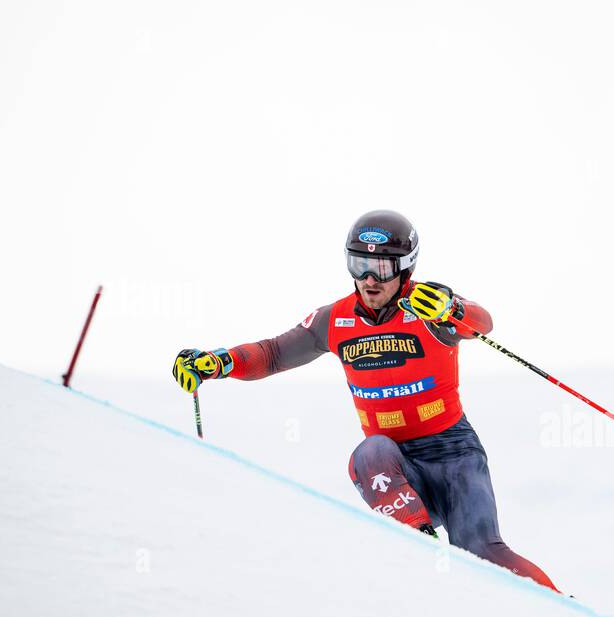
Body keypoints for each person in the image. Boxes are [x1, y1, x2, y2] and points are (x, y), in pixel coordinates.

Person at [171, 210, 557, 590]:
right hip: (397, 466)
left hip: (453, 454)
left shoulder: (429, 307)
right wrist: (219, 362)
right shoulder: (334, 319)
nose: (370, 280)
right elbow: (273, 353)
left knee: (481, 552)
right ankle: (420, 553)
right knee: (369, 453)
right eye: (360, 265)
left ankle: (566, 613)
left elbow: (482, 323)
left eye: (383, 269)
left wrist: (452, 308)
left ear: (405, 269)